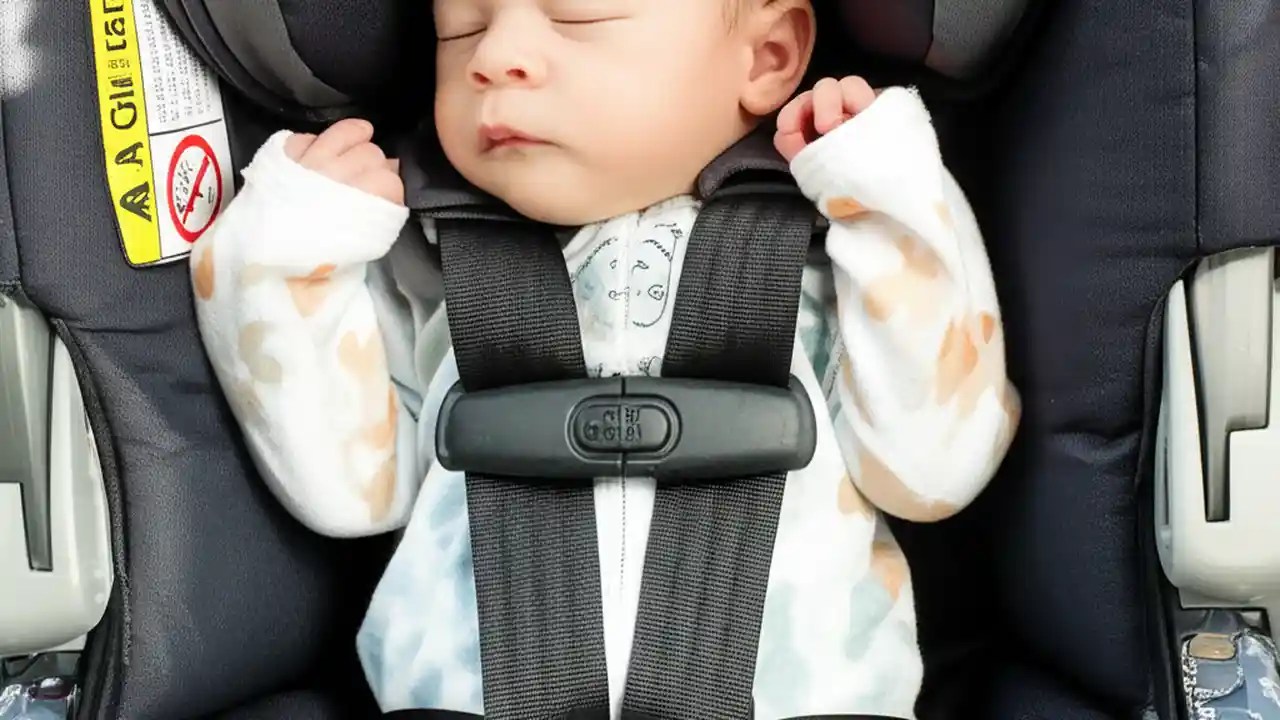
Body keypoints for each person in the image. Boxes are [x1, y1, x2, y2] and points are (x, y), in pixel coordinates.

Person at [189, 1, 1020, 716]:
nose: (495, 57)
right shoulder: (421, 263)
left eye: (579, 16)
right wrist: (284, 251)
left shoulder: (835, 258)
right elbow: (349, 492)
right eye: (462, 29)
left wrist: (892, 195)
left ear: (766, 58)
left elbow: (933, 468)